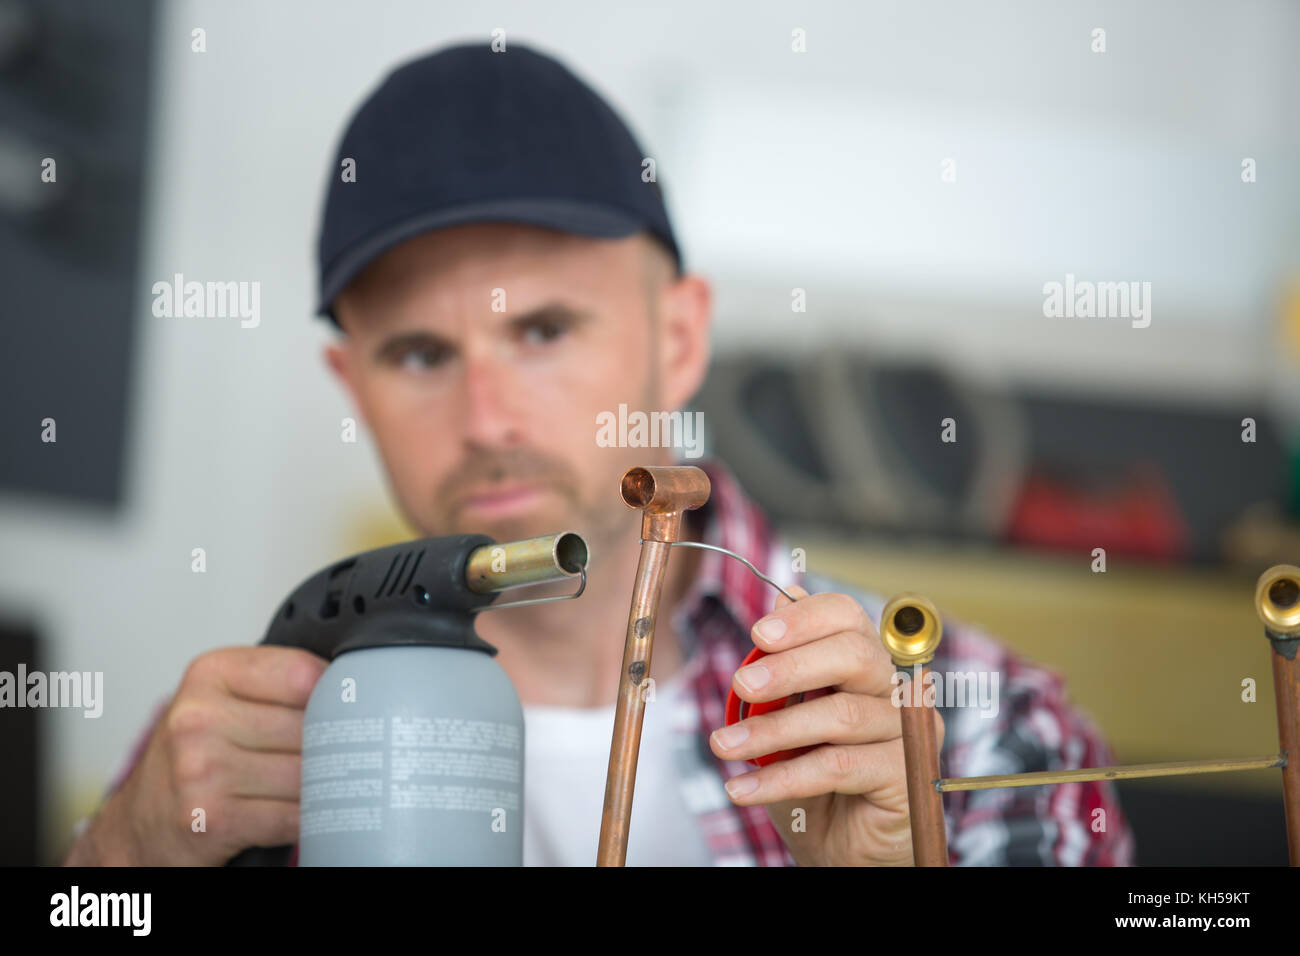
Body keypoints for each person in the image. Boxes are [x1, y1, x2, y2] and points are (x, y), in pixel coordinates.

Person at [64, 41, 1134, 867]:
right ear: (355, 388)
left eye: (543, 330)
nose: (487, 419)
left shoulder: (984, 730)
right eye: (420, 353)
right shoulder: (238, 745)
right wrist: (126, 852)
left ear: (679, 337)